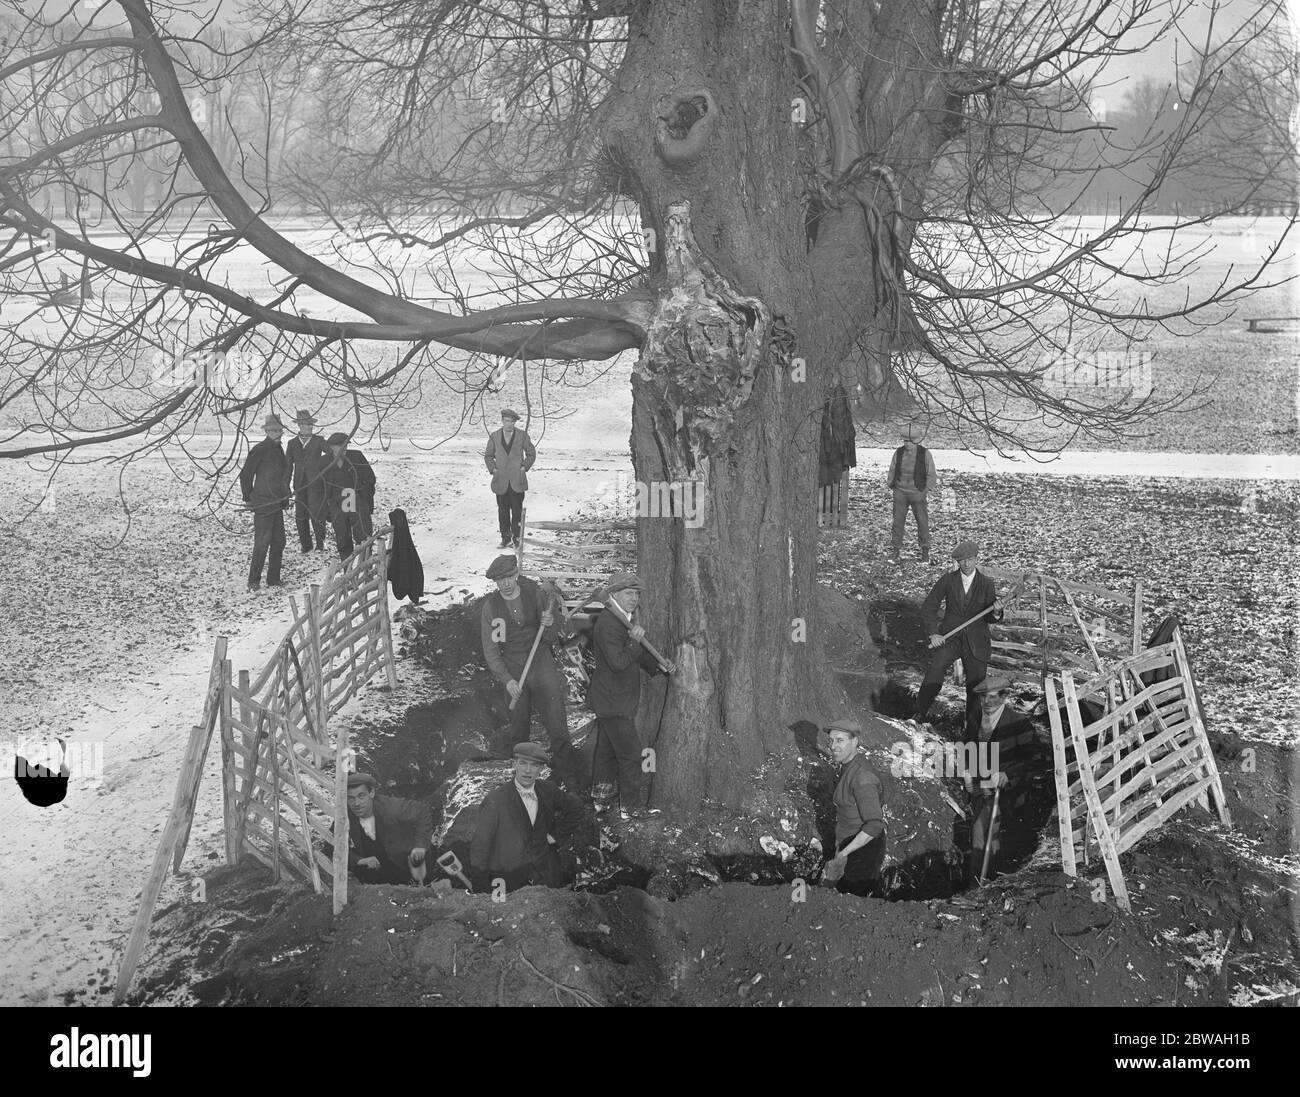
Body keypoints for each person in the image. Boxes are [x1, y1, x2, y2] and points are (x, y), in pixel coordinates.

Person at [480, 555, 578, 788]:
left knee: (556, 721)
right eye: (499, 580)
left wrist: (550, 622)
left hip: (541, 663)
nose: (505, 584)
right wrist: (507, 681)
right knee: (519, 727)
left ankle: (569, 778)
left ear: (516, 574)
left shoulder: (535, 593)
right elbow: (491, 651)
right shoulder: (491, 608)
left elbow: (552, 636)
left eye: (508, 577)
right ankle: (522, 782)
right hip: (513, 669)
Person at [588, 571, 674, 819]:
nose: (634, 598)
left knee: (605, 751)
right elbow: (618, 662)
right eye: (628, 593)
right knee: (630, 755)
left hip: (612, 699)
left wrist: (658, 666)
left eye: (636, 594)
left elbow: (636, 655)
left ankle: (601, 801)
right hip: (614, 701)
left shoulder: (623, 618)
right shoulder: (607, 623)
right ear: (614, 595)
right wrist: (634, 643)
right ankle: (631, 807)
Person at [469, 742, 586, 893]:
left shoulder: (548, 790)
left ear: (540, 769)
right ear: (514, 764)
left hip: (546, 875)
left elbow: (576, 808)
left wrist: (555, 836)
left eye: (534, 765)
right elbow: (480, 847)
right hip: (509, 880)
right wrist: (481, 891)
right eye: (523, 763)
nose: (528, 770)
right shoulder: (496, 800)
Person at [915, 540, 1003, 741]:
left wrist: (997, 612)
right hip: (951, 637)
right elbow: (929, 607)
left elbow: (989, 617)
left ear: (977, 559)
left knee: (976, 687)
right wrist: (933, 633)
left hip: (977, 642)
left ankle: (971, 734)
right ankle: (918, 714)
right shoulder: (948, 580)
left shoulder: (987, 584)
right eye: (962, 561)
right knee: (935, 669)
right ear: (958, 562)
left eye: (970, 560)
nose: (967, 564)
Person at [823, 718, 887, 898]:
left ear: (855, 741)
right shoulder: (847, 766)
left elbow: (874, 825)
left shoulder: (862, 777)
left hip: (863, 850)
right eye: (831, 740)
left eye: (840, 740)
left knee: (852, 901)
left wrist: (844, 854)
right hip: (847, 842)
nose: (833, 746)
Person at [339, 773, 434, 886]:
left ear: (372, 793)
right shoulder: (345, 817)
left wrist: (420, 846)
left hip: (408, 863)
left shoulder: (391, 808)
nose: (356, 803)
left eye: (361, 796)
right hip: (378, 871)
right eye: (351, 798)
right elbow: (332, 847)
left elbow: (422, 811)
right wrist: (359, 860)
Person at [238, 412, 291, 592]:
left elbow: (282, 477)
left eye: (278, 430)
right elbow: (246, 475)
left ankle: (273, 579)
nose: (276, 432)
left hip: (277, 503)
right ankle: (253, 581)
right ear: (266, 431)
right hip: (263, 503)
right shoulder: (259, 449)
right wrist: (248, 498)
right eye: (272, 430)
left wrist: (285, 496)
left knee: (279, 541)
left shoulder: (278, 449)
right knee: (262, 542)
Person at [484, 408, 535, 548]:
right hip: (501, 481)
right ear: (502, 421)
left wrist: (524, 467)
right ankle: (505, 538)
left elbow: (531, 453)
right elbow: (488, 456)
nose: (509, 424)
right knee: (503, 511)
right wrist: (494, 470)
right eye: (506, 421)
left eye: (512, 421)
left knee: (517, 511)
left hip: (517, 481)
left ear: (515, 422)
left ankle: (517, 539)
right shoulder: (494, 436)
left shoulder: (522, 436)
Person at [886, 422, 937, 564]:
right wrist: (893, 486)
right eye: (904, 441)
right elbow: (892, 469)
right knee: (897, 523)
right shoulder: (899, 452)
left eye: (909, 441)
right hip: (900, 493)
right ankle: (896, 551)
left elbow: (931, 474)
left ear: (916, 441)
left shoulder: (925, 454)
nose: (906, 444)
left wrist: (925, 490)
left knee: (922, 522)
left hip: (918, 493)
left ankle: (925, 552)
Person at [322, 431, 377, 559]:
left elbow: (370, 479)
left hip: (357, 502)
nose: (344, 448)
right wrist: (327, 508)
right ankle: (347, 571)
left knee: (364, 538)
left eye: (346, 445)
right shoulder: (324, 461)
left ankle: (366, 569)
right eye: (339, 446)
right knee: (343, 539)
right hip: (337, 504)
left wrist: (365, 499)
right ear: (331, 447)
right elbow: (319, 487)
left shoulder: (356, 457)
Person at [286, 410, 329, 553]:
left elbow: (332, 456)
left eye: (311, 424)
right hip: (299, 486)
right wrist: (285, 487)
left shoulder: (319, 441)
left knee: (317, 514)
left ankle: (320, 543)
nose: (309, 427)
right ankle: (306, 545)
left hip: (316, 485)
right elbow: (287, 467)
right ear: (299, 426)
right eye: (306, 424)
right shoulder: (292, 444)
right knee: (300, 516)